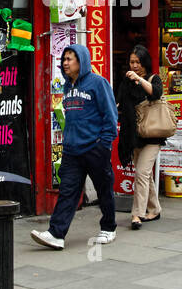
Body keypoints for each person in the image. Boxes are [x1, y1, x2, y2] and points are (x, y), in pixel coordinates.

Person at [31, 45, 119, 250]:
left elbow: (110, 114)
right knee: (67, 191)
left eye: (70, 59)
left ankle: (109, 228)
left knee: (103, 188)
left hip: (95, 148)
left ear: (82, 61)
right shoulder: (67, 86)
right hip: (72, 150)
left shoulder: (98, 83)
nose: (65, 63)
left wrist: (104, 144)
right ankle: (56, 233)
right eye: (64, 59)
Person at [117, 45, 168, 229]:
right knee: (146, 176)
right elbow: (120, 103)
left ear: (145, 62)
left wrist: (138, 79)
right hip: (135, 135)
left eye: (138, 62)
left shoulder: (153, 79)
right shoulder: (126, 81)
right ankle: (154, 209)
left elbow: (156, 93)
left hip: (153, 135)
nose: (135, 65)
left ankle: (137, 214)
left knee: (141, 173)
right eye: (132, 62)